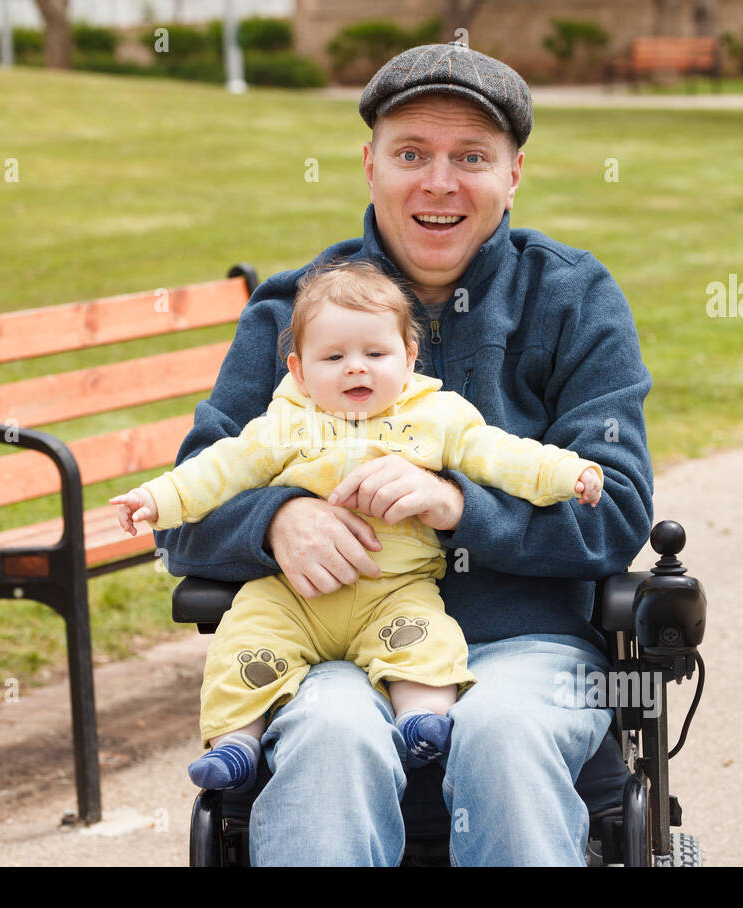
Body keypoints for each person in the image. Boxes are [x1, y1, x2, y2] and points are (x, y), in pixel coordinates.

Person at [155, 41, 655, 865]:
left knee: (500, 729)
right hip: (335, 647)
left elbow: (618, 509)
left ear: (514, 175)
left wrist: (460, 507)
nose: (439, 183)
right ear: (370, 164)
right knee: (328, 734)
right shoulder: (291, 311)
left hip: (526, 644)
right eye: (412, 154)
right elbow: (187, 513)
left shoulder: (571, 299)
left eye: (471, 158)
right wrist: (277, 521)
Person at [111, 259, 604, 792]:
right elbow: (216, 470)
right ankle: (235, 743)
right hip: (295, 595)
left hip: (392, 589)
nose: (356, 369)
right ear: (298, 371)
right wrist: (157, 499)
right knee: (247, 641)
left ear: (409, 358)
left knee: (424, 639)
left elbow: (504, 456)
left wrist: (565, 472)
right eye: (333, 357)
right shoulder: (282, 426)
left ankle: (421, 721)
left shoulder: (437, 417)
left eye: (375, 354)